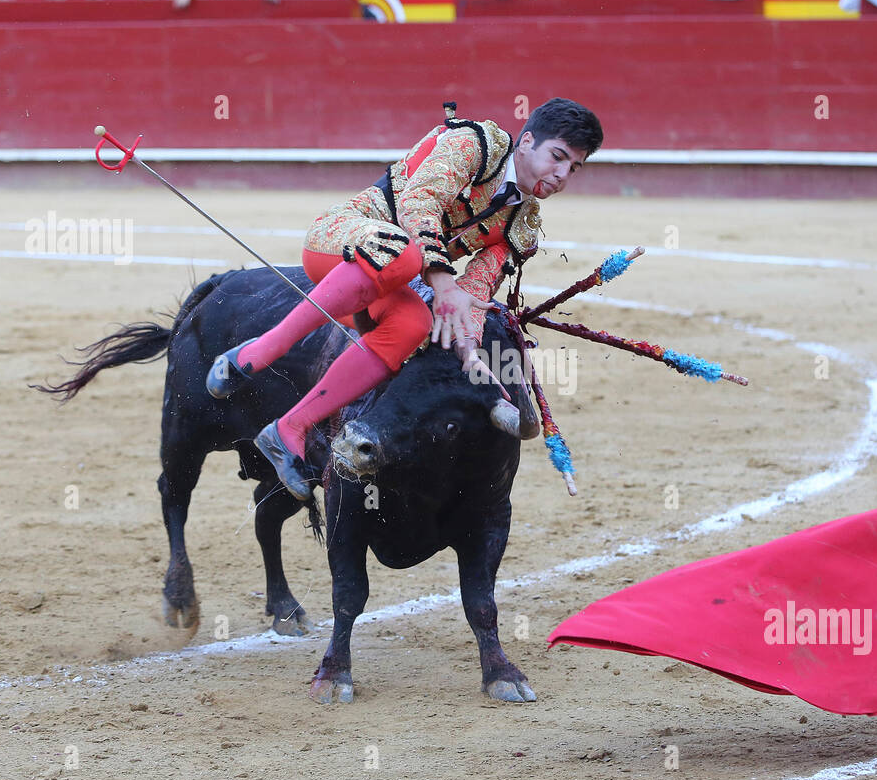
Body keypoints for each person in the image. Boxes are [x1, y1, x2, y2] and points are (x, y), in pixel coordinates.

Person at [206, 99, 604, 500]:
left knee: (415, 326)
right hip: (341, 246)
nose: (562, 174)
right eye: (558, 157)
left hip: (389, 288)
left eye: (574, 167)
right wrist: (444, 284)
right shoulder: (477, 144)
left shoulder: (523, 226)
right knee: (403, 250)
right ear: (527, 140)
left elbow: (475, 292)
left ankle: (289, 428)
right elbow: (420, 203)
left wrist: (467, 345)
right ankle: (257, 353)